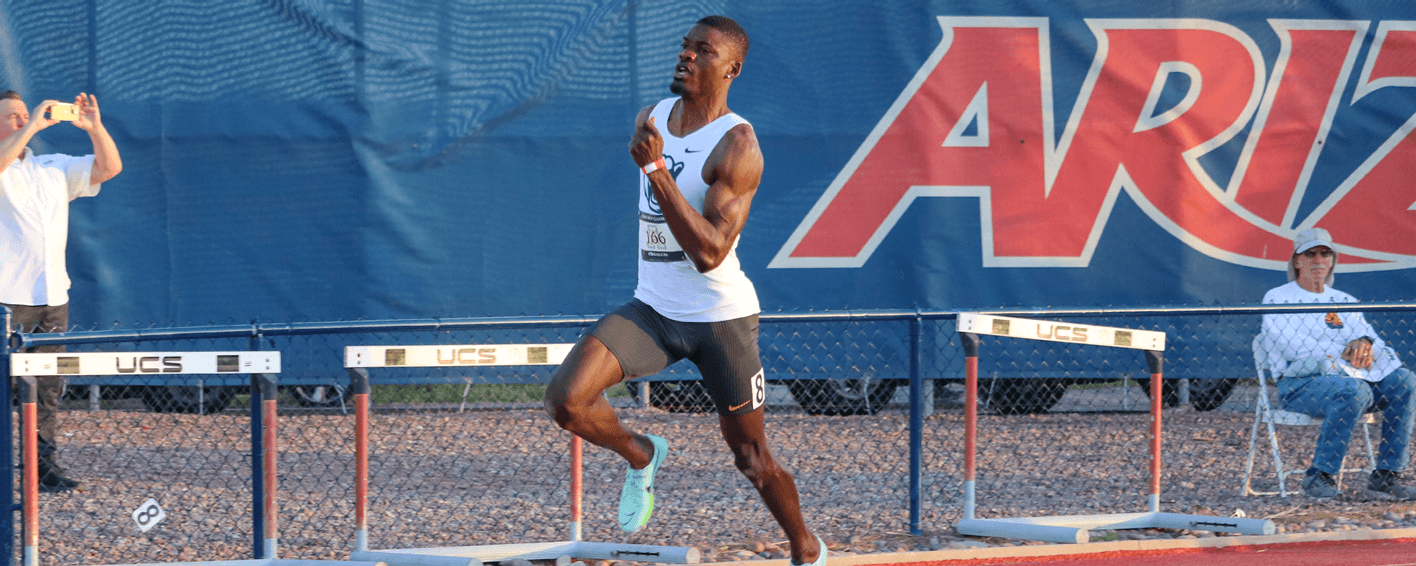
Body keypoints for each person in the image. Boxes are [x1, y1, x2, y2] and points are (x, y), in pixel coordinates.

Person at [543, 15, 825, 566]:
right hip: (654, 310)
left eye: (703, 50)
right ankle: (642, 454)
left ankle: (804, 547)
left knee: (751, 457)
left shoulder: (738, 145)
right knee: (566, 400)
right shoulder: (651, 118)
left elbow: (710, 252)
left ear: (732, 68)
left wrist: (656, 171)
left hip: (720, 317)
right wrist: (655, 162)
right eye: (684, 46)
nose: (687, 56)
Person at [1, 90, 123, 492]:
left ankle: (42, 470)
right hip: (6, 301)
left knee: (48, 389)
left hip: (53, 298)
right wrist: (34, 123)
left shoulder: (51, 166)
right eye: (13, 116)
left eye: (24, 115)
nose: (23, 120)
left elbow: (109, 168)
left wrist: (95, 128)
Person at [1259, 228, 1416, 501]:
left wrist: (1364, 345)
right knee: (1355, 390)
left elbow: (1373, 341)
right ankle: (1319, 476)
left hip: (1354, 381)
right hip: (1300, 385)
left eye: (1325, 254)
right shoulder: (1278, 297)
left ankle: (1387, 476)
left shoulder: (1344, 301)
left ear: (1332, 261)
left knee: (1405, 382)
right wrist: (1345, 350)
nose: (1318, 260)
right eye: (1311, 254)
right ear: (1297, 261)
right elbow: (1289, 345)